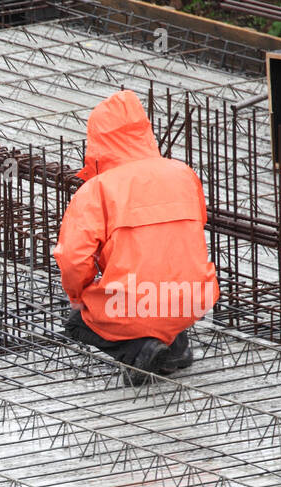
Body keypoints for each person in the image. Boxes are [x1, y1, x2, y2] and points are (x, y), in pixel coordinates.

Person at [53, 89, 219, 384]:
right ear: (145, 131)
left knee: (77, 323)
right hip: (195, 298)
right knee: (163, 288)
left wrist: (78, 296)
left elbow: (73, 258)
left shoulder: (98, 190)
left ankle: (140, 350)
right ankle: (175, 346)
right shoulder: (182, 173)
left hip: (135, 306)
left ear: (98, 141)